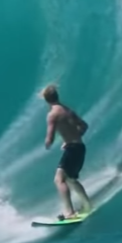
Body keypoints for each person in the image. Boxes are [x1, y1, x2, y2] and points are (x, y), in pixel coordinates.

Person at [41, 83, 93, 219]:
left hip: (72, 149)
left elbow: (50, 137)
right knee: (71, 179)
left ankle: (69, 213)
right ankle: (87, 205)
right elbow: (84, 126)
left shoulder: (52, 115)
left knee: (59, 180)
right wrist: (72, 138)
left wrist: (47, 143)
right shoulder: (67, 110)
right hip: (80, 147)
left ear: (46, 100)